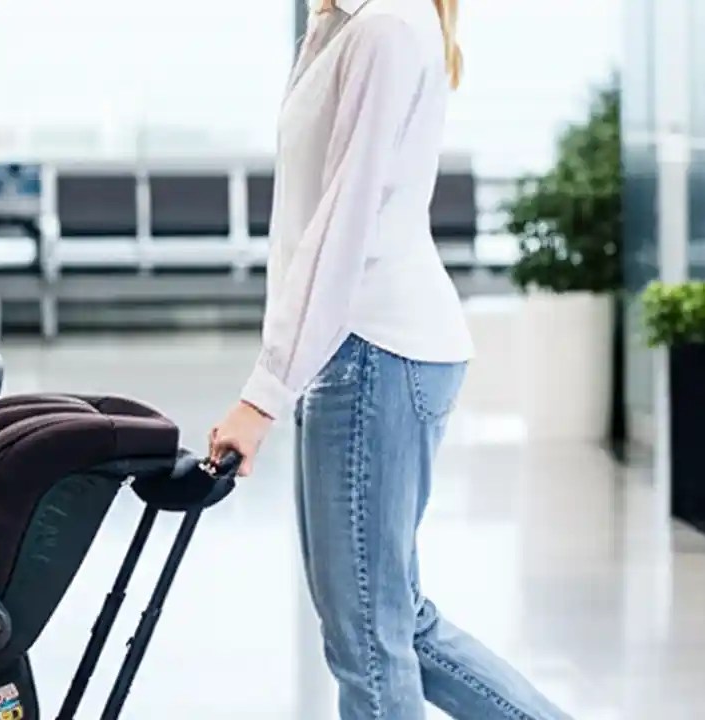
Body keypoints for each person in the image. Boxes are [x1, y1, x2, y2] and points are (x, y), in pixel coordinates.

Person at [208, 1, 570, 717]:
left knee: (368, 641)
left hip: (373, 352)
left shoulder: (384, 30)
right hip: (360, 351)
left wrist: (263, 394)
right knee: (392, 623)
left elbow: (345, 228)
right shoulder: (347, 23)